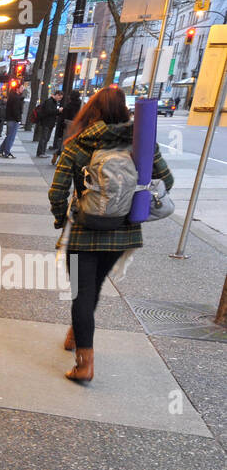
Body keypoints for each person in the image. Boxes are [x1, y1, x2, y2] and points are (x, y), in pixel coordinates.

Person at [49, 85, 173, 383]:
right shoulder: (140, 144)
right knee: (94, 286)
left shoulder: (78, 143)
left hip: (84, 231)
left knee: (81, 291)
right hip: (123, 233)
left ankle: (84, 365)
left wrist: (58, 218)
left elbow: (57, 191)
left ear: (92, 109)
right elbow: (166, 179)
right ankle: (75, 335)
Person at [0, 86, 25, 157]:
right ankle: (6, 152)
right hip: (13, 120)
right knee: (11, 137)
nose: (23, 89)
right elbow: (16, 110)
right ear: (17, 89)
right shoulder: (16, 97)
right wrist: (18, 119)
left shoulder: (13, 96)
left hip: (11, 119)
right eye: (21, 88)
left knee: (9, 136)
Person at [52, 89, 81, 161]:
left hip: (67, 125)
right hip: (77, 125)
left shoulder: (68, 106)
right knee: (72, 143)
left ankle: (59, 154)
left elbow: (63, 117)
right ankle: (63, 156)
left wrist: (60, 127)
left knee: (64, 143)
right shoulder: (81, 105)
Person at [35, 91, 62, 157]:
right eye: (59, 97)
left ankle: (42, 152)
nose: (60, 99)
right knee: (44, 138)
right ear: (56, 95)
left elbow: (52, 113)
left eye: (61, 98)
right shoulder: (49, 101)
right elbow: (48, 112)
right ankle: (41, 152)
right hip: (46, 122)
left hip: (50, 123)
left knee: (46, 138)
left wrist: (58, 112)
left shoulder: (54, 102)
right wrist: (58, 111)